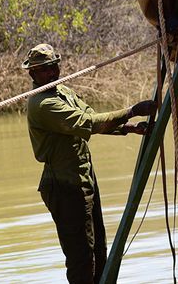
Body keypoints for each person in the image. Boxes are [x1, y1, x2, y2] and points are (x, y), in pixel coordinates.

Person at [23, 43, 155, 284]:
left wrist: (128, 128)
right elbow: (88, 123)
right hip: (64, 186)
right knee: (81, 259)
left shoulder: (62, 92)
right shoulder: (43, 104)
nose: (52, 73)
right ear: (32, 73)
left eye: (54, 67)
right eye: (44, 70)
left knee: (98, 250)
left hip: (83, 178)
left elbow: (92, 121)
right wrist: (131, 111)